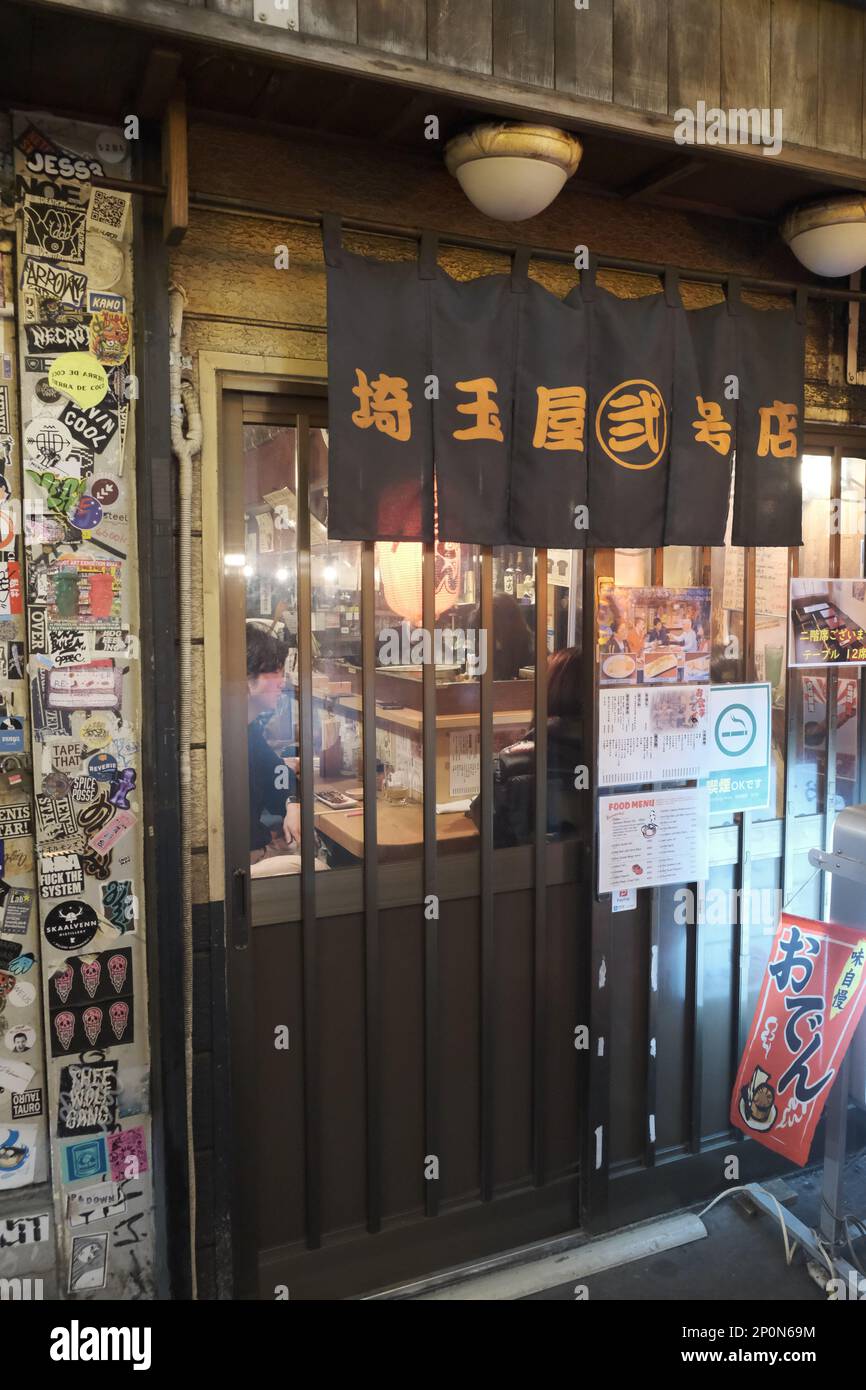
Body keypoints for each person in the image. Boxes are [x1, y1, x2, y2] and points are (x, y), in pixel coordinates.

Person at [469, 647, 584, 847]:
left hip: (529, 875)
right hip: (599, 873)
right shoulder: (616, 758)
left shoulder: (511, 761)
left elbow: (491, 827)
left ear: (548, 691)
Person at [247, 623, 300, 861]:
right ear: (248, 679)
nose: (282, 682)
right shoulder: (229, 738)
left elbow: (278, 773)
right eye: (274, 673)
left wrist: (292, 804)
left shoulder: (248, 730)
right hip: (245, 862)